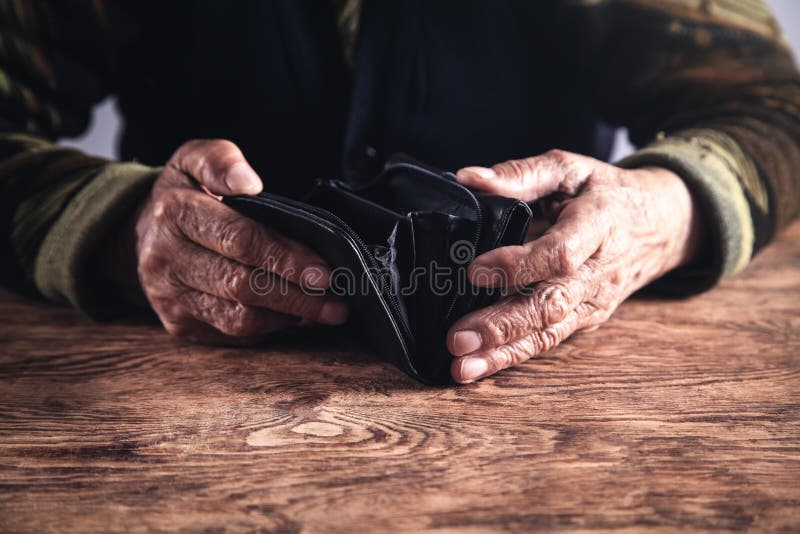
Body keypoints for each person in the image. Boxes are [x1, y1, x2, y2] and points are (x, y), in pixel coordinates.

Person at [1, 1, 798, 384]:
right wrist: (114, 226)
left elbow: (773, 108)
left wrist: (656, 213)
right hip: (162, 398)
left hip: (555, 421)